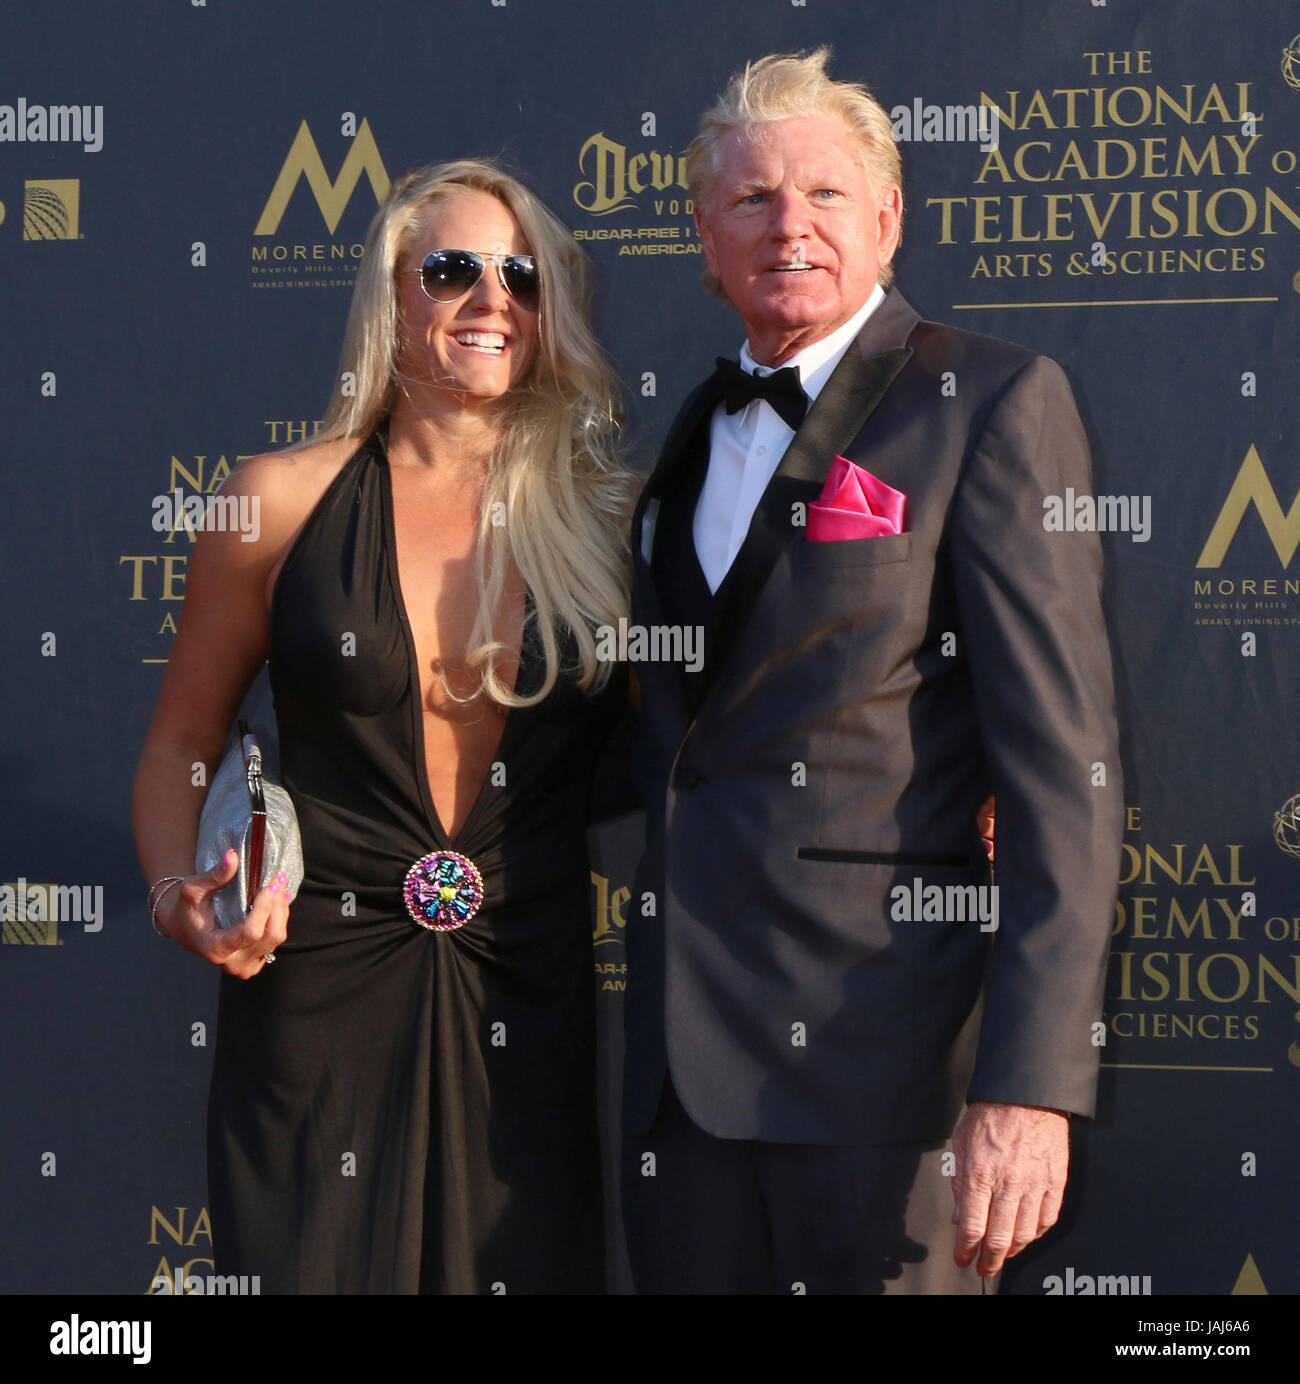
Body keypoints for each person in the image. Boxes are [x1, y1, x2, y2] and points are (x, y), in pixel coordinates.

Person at [621, 49, 1123, 1294]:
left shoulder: (991, 401)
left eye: (824, 194)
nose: (787, 225)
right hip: (683, 1088)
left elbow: (1066, 772)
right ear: (705, 237)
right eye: (750, 200)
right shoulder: (689, 429)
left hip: (887, 1079)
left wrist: (1028, 1086)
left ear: (888, 216)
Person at [133, 159, 635, 1294]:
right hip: (314, 985)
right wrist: (179, 898)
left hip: (524, 981)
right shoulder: (275, 502)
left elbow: (724, 725)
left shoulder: (610, 526)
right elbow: (179, 743)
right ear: (390, 296)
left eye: (522, 276)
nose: (490, 298)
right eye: (452, 269)